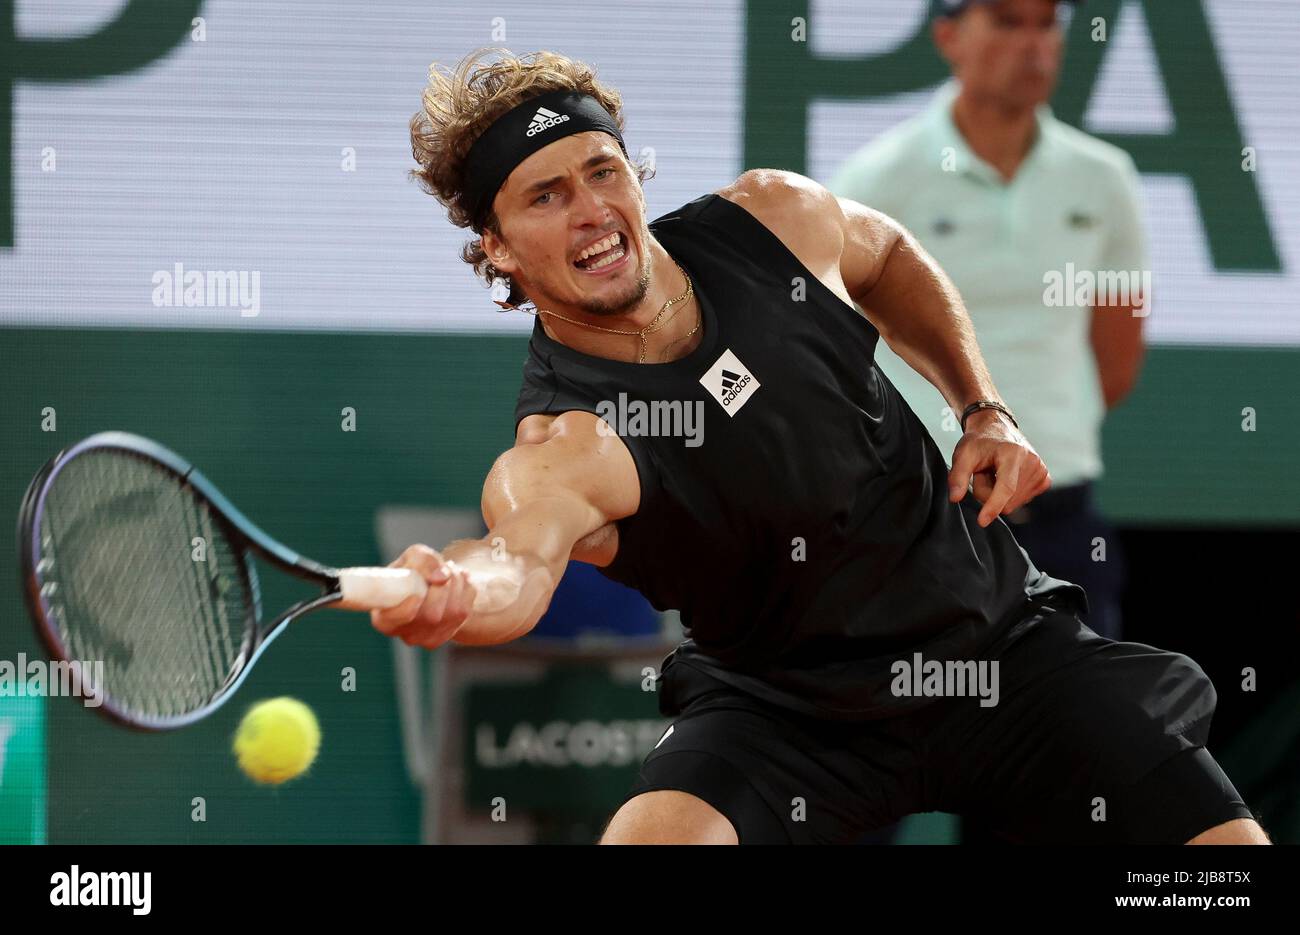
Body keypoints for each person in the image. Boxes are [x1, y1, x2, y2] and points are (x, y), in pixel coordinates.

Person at [381, 47, 1267, 844]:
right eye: (547, 195)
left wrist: (982, 407)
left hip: (996, 645)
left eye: (602, 170)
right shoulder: (563, 443)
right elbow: (516, 564)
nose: (593, 211)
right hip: (787, 714)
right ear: (495, 248)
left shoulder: (773, 221)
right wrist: (459, 586)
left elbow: (884, 256)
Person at [829, 0, 1147, 641]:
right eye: (1006, 20)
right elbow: (838, 355)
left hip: (1063, 522)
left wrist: (1037, 449)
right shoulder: (876, 179)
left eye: (1045, 23)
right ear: (948, 35)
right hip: (919, 522)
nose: (1033, 45)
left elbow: (1115, 360)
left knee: (1092, 737)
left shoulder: (1105, 179)